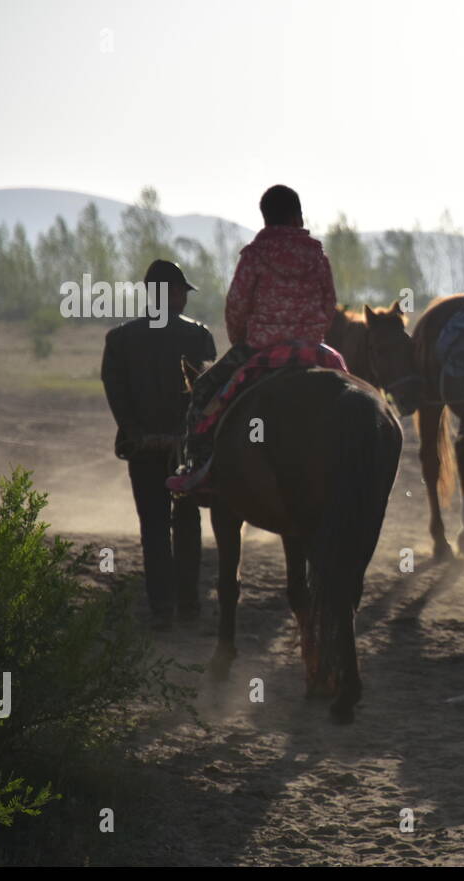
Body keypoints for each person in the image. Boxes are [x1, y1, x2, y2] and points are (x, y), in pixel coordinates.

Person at [178, 184, 338, 475]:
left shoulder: (253, 256)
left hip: (261, 348)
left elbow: (237, 304)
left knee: (202, 390)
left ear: (265, 219)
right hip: (312, 348)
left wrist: (241, 341)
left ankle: (195, 466)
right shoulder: (318, 257)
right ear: (297, 218)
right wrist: (315, 333)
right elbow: (330, 304)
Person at [101, 259, 216, 628]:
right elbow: (206, 394)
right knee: (187, 522)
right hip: (186, 450)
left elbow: (116, 392)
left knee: (152, 526)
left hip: (143, 448)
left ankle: (161, 608)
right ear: (173, 293)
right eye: (182, 292)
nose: (184, 299)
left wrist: (135, 432)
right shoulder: (198, 335)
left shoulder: (119, 339)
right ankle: (190, 606)